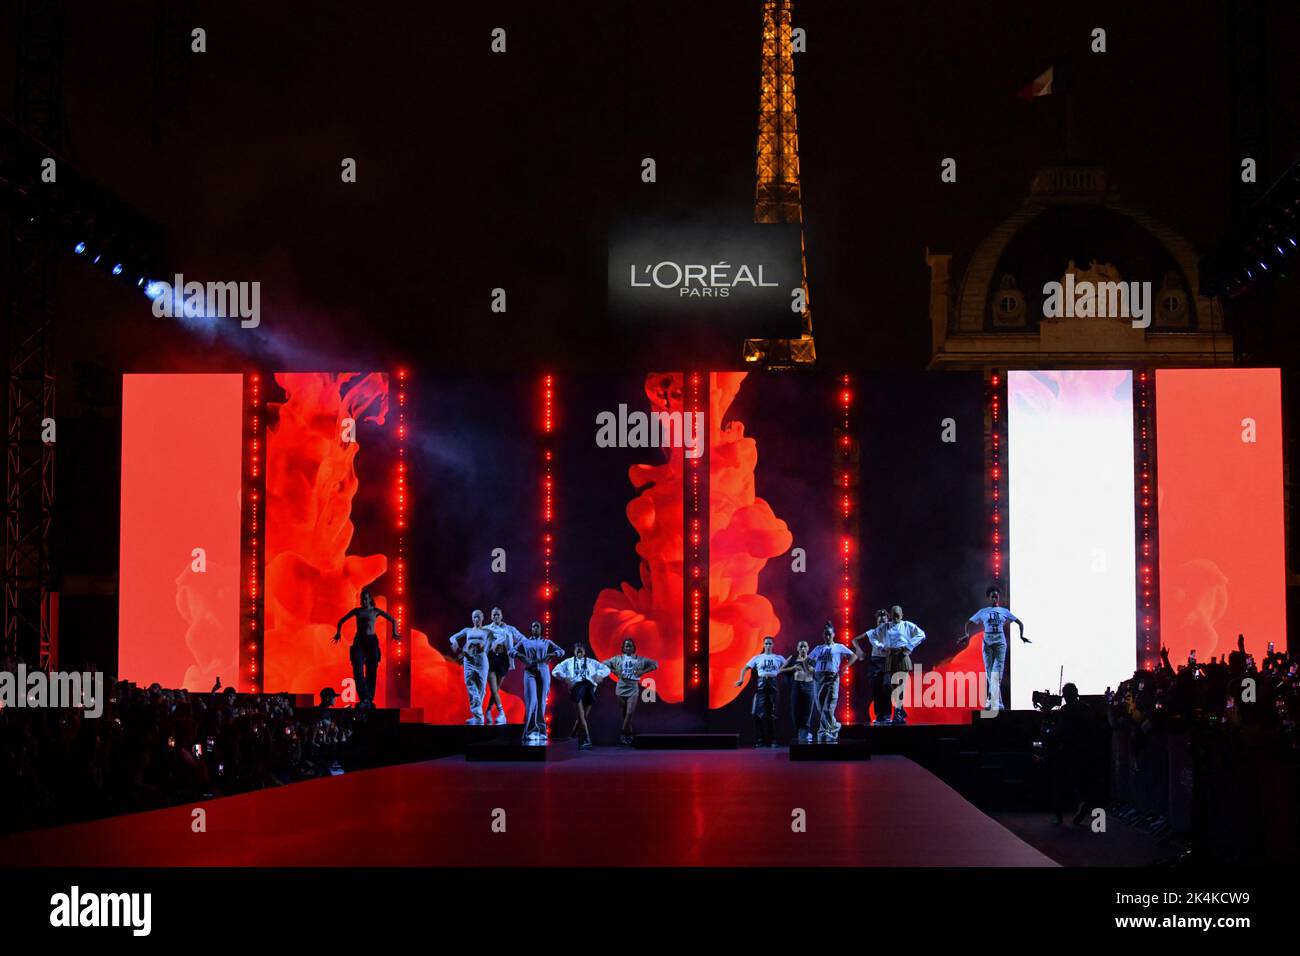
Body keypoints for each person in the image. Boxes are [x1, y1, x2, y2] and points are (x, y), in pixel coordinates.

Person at [962, 585, 1029, 712]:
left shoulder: (1004, 611)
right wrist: (966, 634)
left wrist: (1022, 636)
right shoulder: (983, 611)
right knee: (990, 673)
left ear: (998, 597)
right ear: (989, 597)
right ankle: (998, 703)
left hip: (999, 643)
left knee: (996, 674)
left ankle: (991, 701)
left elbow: (1019, 622)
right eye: (992, 595)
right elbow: (968, 623)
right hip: (987, 642)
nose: (994, 596)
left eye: (996, 594)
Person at [332, 588, 400, 709]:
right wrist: (338, 633)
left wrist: (394, 632)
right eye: (362, 598)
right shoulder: (357, 611)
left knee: (371, 669)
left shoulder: (375, 611)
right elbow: (341, 620)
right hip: (359, 641)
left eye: (365, 598)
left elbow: (393, 619)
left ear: (369, 599)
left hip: (371, 641)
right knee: (357, 668)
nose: (363, 600)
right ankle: (364, 697)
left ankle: (368, 699)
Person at [857, 606, 925, 724]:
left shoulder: (906, 625)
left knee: (900, 684)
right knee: (893, 685)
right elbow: (873, 636)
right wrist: (881, 647)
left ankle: (898, 711)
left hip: (902, 655)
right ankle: (899, 710)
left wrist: (909, 646)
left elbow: (921, 634)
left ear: (902, 615)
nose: (895, 618)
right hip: (890, 656)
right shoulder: (886, 626)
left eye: (897, 616)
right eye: (893, 616)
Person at [509, 621, 565, 743]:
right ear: (531, 628)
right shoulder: (525, 642)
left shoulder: (547, 642)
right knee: (532, 700)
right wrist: (521, 656)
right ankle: (529, 731)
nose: (535, 628)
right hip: (530, 671)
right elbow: (511, 651)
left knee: (541, 702)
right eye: (533, 626)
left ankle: (541, 731)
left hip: (543, 670)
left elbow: (561, 651)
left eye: (537, 626)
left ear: (541, 629)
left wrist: (551, 654)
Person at [807, 621, 861, 743]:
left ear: (834, 634)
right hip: (818, 678)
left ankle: (824, 732)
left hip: (832, 677)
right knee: (820, 707)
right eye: (825, 634)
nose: (827, 636)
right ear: (823, 635)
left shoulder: (839, 647)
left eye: (829, 634)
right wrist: (812, 669)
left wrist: (844, 667)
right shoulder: (818, 648)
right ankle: (835, 726)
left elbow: (854, 656)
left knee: (829, 706)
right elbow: (808, 660)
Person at [552, 643, 611, 750]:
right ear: (574, 651)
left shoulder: (591, 662)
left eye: (581, 648)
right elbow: (555, 671)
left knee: (582, 717)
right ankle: (586, 740)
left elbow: (606, 669)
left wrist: (599, 675)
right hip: (576, 688)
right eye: (577, 648)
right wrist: (565, 678)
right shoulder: (568, 662)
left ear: (585, 651)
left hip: (589, 688)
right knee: (582, 715)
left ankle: (573, 735)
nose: (579, 650)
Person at [601, 639, 658, 745]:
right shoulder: (617, 658)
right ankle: (630, 735)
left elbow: (655, 664)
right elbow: (603, 664)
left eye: (630, 646)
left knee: (630, 712)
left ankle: (622, 734)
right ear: (623, 648)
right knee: (624, 714)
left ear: (633, 647)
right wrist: (614, 671)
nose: (628, 648)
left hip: (633, 687)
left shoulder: (640, 659)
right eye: (626, 646)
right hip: (621, 686)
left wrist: (643, 671)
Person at [734, 636, 786, 747]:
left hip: (773, 684)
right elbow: (745, 668)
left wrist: (783, 672)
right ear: (763, 645)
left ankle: (773, 740)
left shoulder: (778, 657)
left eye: (770, 643)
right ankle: (760, 740)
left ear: (773, 645)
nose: (768, 645)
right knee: (756, 713)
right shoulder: (757, 658)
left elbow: (788, 667)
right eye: (766, 643)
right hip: (761, 684)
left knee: (773, 714)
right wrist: (741, 680)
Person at [446, 609, 493, 724]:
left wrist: (483, 652)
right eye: (474, 617)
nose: (476, 619)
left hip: (481, 660)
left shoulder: (487, 632)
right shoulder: (467, 630)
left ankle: (477, 716)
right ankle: (478, 716)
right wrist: (455, 643)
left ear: (482, 618)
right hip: (468, 660)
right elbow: (452, 637)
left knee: (481, 689)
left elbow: (489, 645)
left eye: (478, 617)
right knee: (470, 684)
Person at [484, 607, 526, 726]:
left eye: (498, 615)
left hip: (503, 660)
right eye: (494, 615)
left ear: (501, 616)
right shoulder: (487, 628)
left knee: (496, 689)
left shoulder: (509, 629)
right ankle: (501, 713)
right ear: (491, 617)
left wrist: (515, 650)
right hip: (491, 658)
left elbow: (522, 639)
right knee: (493, 688)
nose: (496, 617)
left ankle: (488, 711)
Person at [853, 609, 892, 725]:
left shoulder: (892, 630)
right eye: (879, 617)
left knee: (887, 686)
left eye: (884, 616)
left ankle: (887, 714)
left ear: (887, 619)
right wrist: (859, 650)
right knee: (877, 688)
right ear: (876, 620)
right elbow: (854, 640)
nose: (881, 618)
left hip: (888, 661)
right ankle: (879, 715)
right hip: (876, 662)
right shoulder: (872, 632)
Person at [782, 640, 816, 744]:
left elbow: (813, 672)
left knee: (807, 713)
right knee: (795, 713)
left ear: (808, 648)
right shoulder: (792, 658)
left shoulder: (812, 659)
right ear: (797, 648)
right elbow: (780, 670)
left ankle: (804, 737)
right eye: (800, 647)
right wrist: (793, 667)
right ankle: (802, 734)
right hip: (797, 686)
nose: (802, 649)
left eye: (805, 646)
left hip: (809, 686)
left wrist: (805, 663)